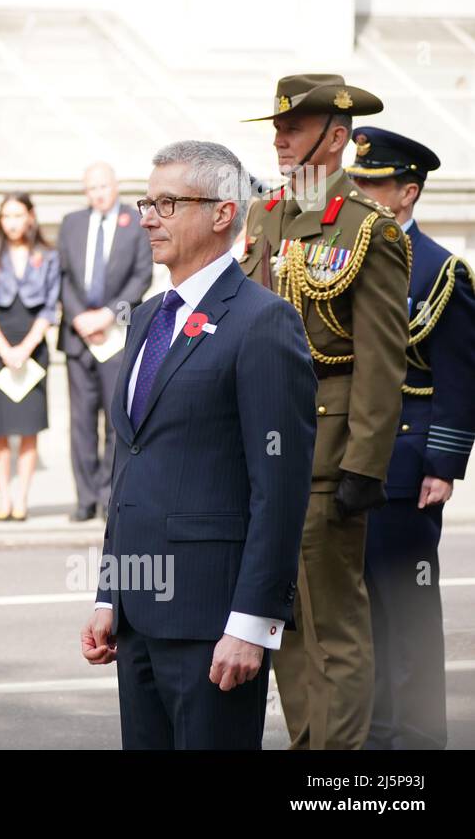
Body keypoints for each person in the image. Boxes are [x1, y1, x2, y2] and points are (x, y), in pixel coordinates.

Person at [80, 140, 316, 749]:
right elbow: (129, 466)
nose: (147, 217)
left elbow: (280, 489)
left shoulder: (262, 321)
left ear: (222, 213)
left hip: (214, 623)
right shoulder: (149, 315)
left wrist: (254, 624)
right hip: (137, 615)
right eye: (145, 201)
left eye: (167, 203)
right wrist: (110, 591)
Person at [238, 74, 410, 750]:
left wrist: (365, 464)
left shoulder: (369, 231)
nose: (280, 139)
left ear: (335, 137)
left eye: (294, 128)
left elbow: (381, 358)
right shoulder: (264, 217)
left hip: (323, 456)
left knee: (333, 626)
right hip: (264, 455)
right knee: (284, 626)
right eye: (277, 127)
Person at [345, 127, 475, 749]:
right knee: (359, 616)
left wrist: (443, 464)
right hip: (346, 457)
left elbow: (459, 374)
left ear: (408, 193)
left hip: (405, 461)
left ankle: (418, 742)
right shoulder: (344, 258)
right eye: (358, 181)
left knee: (408, 613)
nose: (363, 191)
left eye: (375, 183)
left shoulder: (439, 270)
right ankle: (376, 737)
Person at [57, 162, 152, 522]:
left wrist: (109, 315)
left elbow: (141, 275)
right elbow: (62, 274)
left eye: (102, 186)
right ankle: (84, 498)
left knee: (115, 422)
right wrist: (81, 316)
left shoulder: (136, 224)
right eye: (90, 188)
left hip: (116, 336)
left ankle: (109, 496)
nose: (97, 193)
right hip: (78, 337)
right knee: (80, 422)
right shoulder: (71, 223)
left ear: (115, 186)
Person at [0, 192, 59, 520]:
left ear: (30, 217)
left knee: (28, 428)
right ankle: (3, 496)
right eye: (6, 216)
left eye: (18, 215)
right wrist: (5, 348)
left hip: (33, 346)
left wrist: (26, 347)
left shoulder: (48, 255)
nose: (12, 223)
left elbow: (51, 306)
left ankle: (22, 496)